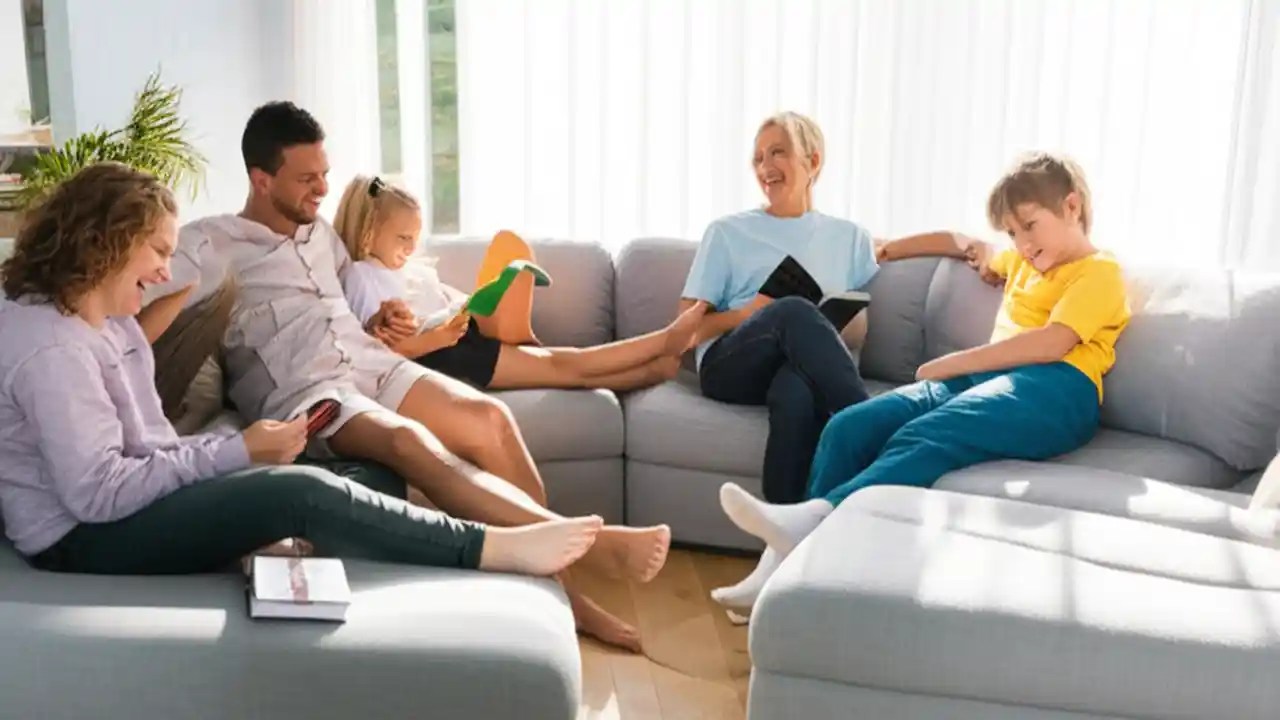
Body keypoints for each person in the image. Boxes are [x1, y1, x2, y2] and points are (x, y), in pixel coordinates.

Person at [143, 102, 666, 650]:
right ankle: (585, 567)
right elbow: (127, 302)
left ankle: (559, 588)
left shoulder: (320, 234)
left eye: (324, 173)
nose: (322, 188)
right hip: (308, 394)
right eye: (306, 178)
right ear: (260, 178)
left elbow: (351, 306)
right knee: (406, 441)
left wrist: (381, 320)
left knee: (490, 418)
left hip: (371, 363)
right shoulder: (206, 245)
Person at [0, 162, 603, 578]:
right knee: (302, 491)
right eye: (158, 250)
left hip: (132, 503)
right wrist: (235, 454)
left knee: (374, 476)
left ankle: (276, 541)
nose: (165, 270)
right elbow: (100, 495)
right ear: (106, 242)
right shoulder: (51, 347)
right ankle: (497, 549)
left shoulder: (104, 319)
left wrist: (216, 459)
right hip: (81, 538)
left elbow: (147, 447)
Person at [718, 152, 1133, 610]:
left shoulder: (1100, 272)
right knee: (849, 426)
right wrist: (886, 248)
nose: (1022, 242)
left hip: (1057, 388)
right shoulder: (1021, 262)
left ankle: (812, 529)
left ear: (1072, 207)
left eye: (1030, 226)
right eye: (1012, 232)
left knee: (926, 433)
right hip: (984, 381)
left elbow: (1052, 343)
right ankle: (781, 576)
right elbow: (966, 243)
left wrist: (954, 363)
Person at [676, 112, 879, 610]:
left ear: (813, 161)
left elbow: (858, 331)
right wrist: (751, 313)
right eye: (758, 157)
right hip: (730, 363)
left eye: (778, 152)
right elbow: (685, 331)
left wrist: (829, 316)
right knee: (791, 311)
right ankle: (875, 432)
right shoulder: (727, 232)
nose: (765, 165)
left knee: (796, 392)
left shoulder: (849, 237)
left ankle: (774, 576)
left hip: (797, 364)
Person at [332, 174, 704, 392]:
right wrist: (438, 337)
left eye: (416, 236)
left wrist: (465, 310)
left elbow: (448, 303)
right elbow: (374, 358)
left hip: (458, 336)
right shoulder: (363, 277)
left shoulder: (411, 272)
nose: (412, 247)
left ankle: (654, 367)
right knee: (565, 366)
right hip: (443, 356)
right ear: (367, 232)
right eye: (402, 239)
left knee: (563, 363)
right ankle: (665, 341)